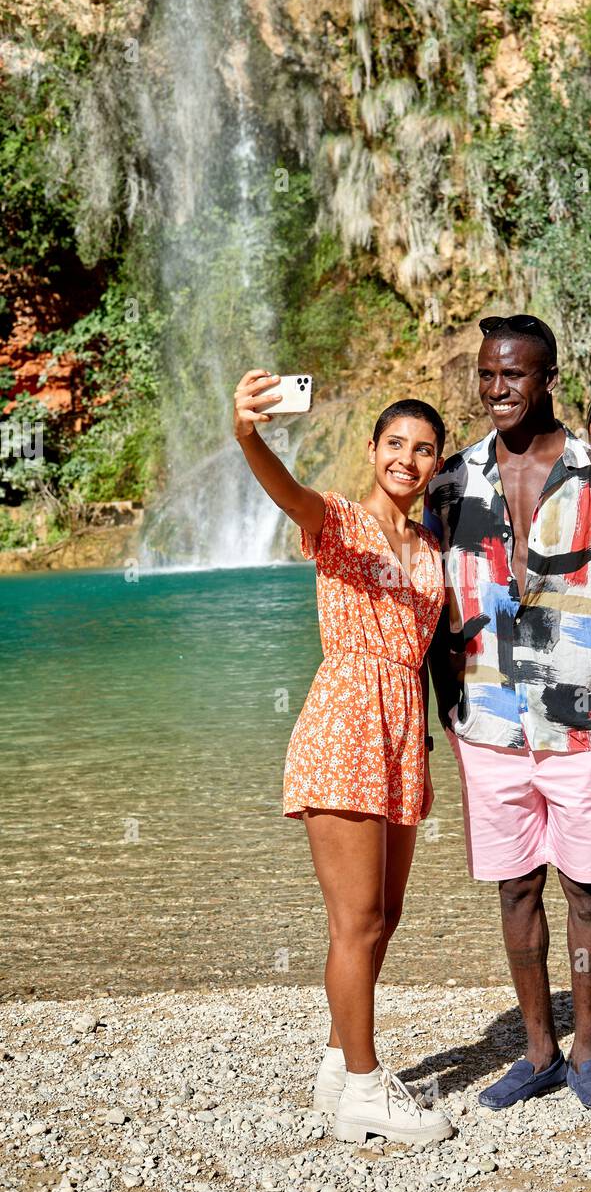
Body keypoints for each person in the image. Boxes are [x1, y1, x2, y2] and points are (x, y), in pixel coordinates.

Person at [233, 369, 453, 1145]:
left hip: (401, 733)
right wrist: (249, 435)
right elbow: (284, 490)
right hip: (346, 724)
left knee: (383, 916)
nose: (408, 458)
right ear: (373, 449)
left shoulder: (430, 545)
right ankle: (365, 1092)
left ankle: (337, 1064)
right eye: (396, 443)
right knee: (355, 923)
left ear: (436, 464)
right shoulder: (340, 521)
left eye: (424, 449)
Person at [424, 315, 591, 1114]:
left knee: (586, 890)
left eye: (513, 375)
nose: (496, 391)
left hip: (582, 714)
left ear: (549, 377)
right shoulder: (451, 479)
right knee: (515, 890)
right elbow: (426, 598)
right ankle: (538, 1051)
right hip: (487, 722)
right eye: (486, 376)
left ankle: (587, 1053)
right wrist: (439, 700)